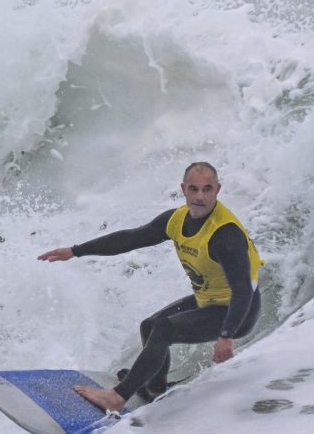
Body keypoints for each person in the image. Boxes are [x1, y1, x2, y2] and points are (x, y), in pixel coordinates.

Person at [38, 162, 262, 413]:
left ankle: (117, 397)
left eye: (207, 189)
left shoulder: (225, 234)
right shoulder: (177, 220)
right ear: (183, 189)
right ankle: (154, 389)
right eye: (194, 189)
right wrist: (75, 251)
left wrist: (227, 335)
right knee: (150, 326)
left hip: (238, 311)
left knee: (164, 329)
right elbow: (132, 238)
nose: (200, 196)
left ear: (217, 190)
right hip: (209, 300)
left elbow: (243, 288)